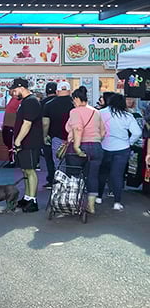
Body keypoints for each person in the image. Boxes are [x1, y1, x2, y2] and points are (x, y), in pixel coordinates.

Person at [64, 85, 106, 215]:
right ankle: (91, 206)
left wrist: (77, 147)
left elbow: (78, 128)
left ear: (76, 99)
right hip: (96, 147)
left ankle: (73, 203)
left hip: (79, 147)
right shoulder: (96, 111)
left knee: (74, 176)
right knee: (93, 176)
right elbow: (103, 132)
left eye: (73, 100)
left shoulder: (75, 112)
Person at [96, 93, 141, 210]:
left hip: (104, 147)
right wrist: (129, 142)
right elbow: (137, 132)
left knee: (102, 173)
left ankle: (99, 197)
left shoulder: (101, 113)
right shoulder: (127, 116)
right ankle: (117, 202)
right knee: (117, 175)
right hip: (122, 149)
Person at [9, 77, 43, 213]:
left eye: (15, 90)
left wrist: (17, 141)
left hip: (30, 142)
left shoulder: (31, 102)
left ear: (21, 88)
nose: (13, 93)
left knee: (30, 170)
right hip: (24, 142)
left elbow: (27, 123)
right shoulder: (25, 102)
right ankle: (27, 197)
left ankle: (33, 200)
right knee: (25, 170)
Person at [41, 80, 74, 187]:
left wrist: (45, 136)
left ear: (57, 91)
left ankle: (60, 186)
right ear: (70, 91)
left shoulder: (49, 104)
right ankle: (73, 185)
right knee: (74, 162)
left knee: (58, 163)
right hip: (75, 138)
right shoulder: (75, 103)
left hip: (56, 137)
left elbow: (45, 123)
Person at [1, 92, 21, 167]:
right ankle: (11, 160)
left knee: (12, 144)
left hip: (12, 126)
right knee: (7, 143)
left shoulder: (20, 100)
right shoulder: (12, 99)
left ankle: (13, 161)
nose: (10, 91)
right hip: (7, 125)